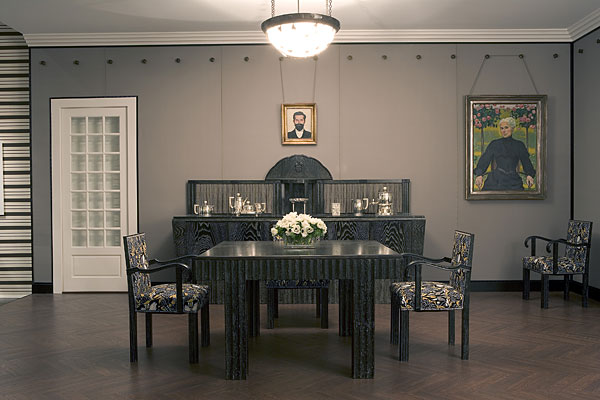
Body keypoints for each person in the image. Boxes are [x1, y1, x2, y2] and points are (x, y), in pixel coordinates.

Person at [474, 117, 535, 191]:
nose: (504, 131)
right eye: (502, 128)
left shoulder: (519, 145)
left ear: (512, 128)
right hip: (496, 179)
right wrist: (479, 175)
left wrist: (529, 175)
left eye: (506, 127)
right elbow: (485, 159)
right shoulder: (495, 144)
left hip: (513, 180)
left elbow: (526, 162)